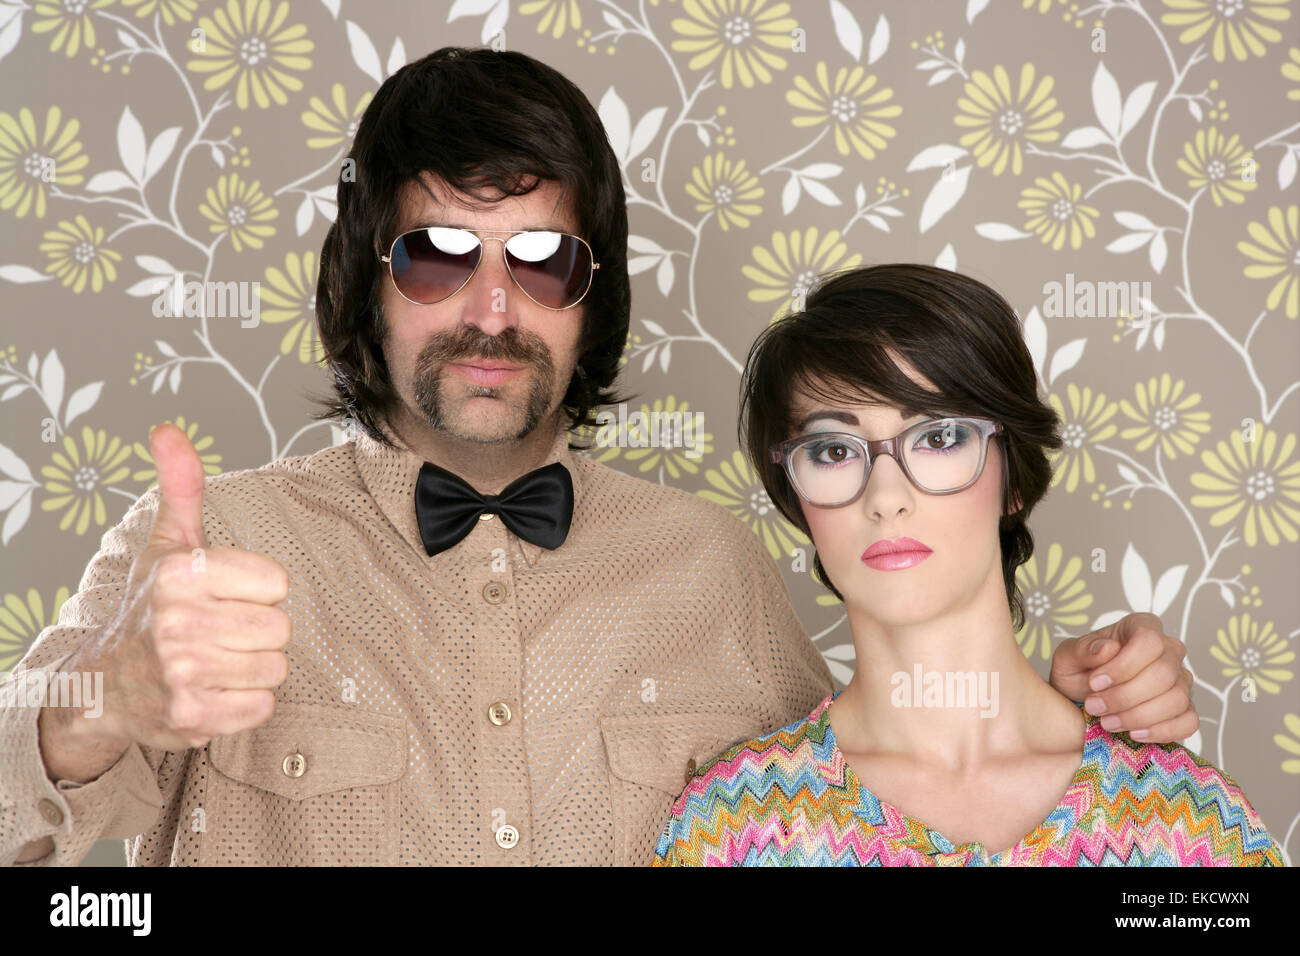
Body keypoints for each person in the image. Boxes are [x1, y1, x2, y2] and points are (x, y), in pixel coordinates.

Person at [1, 49, 1195, 867]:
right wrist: (101, 697)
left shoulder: (713, 563)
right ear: (365, 276)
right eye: (435, 252)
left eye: (542, 260)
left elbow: (866, 805)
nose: (490, 306)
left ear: (593, 297)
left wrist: (1077, 692)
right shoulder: (207, 553)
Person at [653, 264, 1283, 866]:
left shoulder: (1187, 822)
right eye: (834, 449)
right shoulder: (730, 828)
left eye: (939, 437)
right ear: (796, 494)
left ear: (1013, 476)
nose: (887, 497)